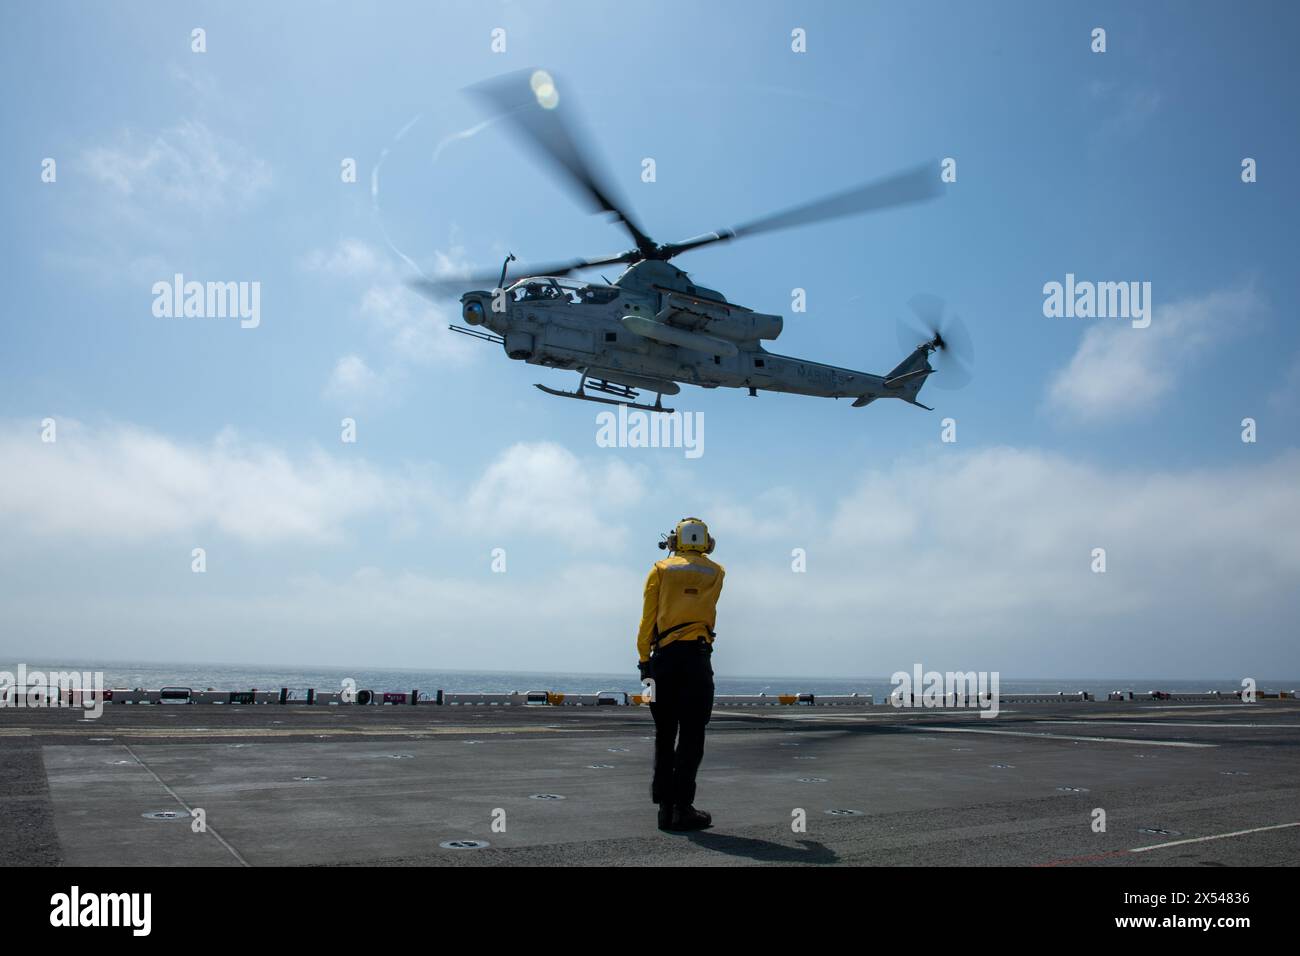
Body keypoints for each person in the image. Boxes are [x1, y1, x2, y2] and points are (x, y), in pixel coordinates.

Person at [636, 517, 725, 831]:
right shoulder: (717, 573)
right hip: (697, 662)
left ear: (675, 540)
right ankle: (682, 807)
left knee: (664, 733)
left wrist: (644, 660)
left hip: (662, 662)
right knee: (692, 735)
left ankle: (664, 807)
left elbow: (648, 620)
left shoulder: (660, 570)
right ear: (706, 542)